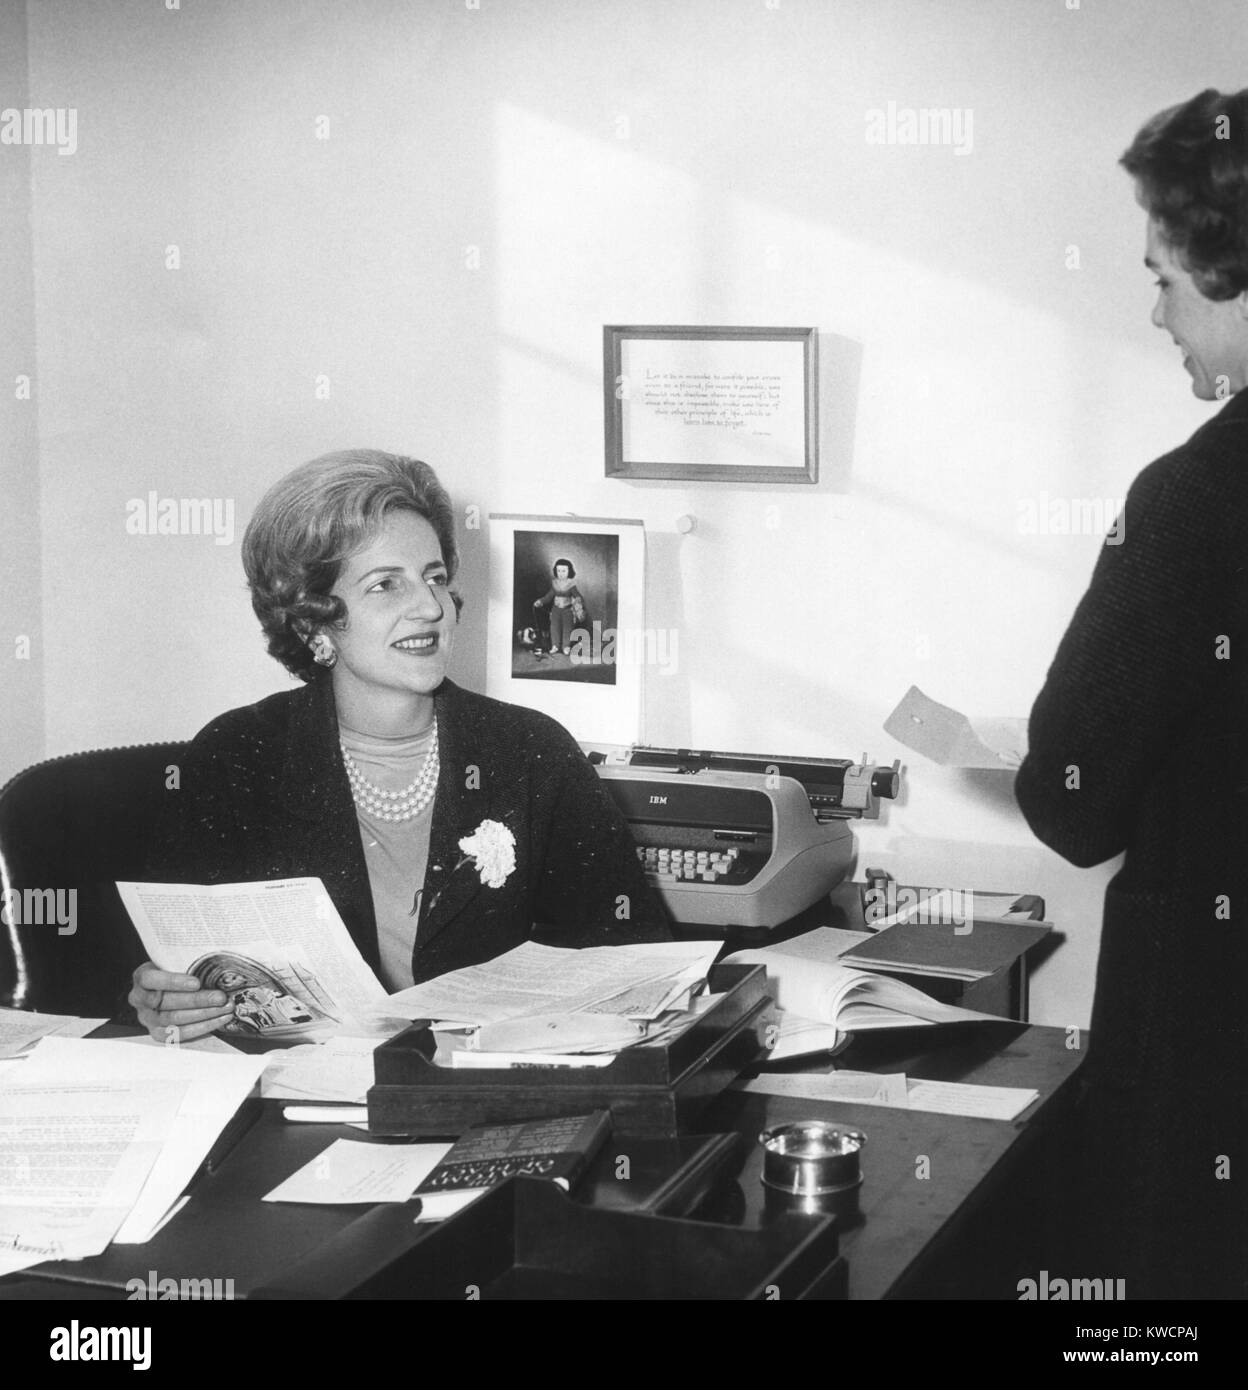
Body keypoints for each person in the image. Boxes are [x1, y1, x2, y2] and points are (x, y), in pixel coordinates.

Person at [129, 450, 670, 1041]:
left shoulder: (530, 752)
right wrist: (167, 1001)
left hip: (486, 1094)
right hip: (292, 1099)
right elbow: (165, 970)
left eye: (435, 577)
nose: (431, 607)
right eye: (386, 585)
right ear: (314, 623)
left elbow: (636, 958)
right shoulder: (239, 757)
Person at [1015, 89, 1248, 1299]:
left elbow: (1073, 798)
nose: (1156, 311)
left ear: (1229, 266)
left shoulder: (1194, 500)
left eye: (1163, 275)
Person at [532, 559, 585, 656]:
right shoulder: (555, 583)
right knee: (554, 628)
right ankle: (555, 646)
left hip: (567, 610)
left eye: (564, 571)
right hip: (555, 610)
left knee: (567, 628)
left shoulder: (571, 584)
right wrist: (540, 601)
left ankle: (566, 646)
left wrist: (577, 604)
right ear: (555, 571)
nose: (561, 573)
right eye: (558, 571)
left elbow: (578, 596)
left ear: (569, 571)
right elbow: (549, 596)